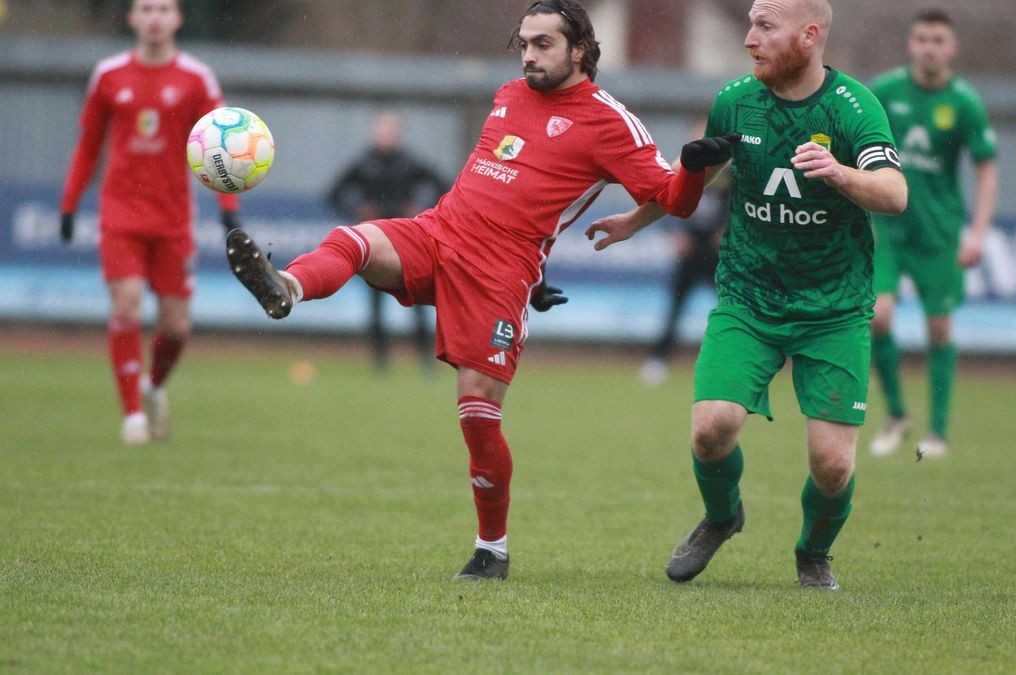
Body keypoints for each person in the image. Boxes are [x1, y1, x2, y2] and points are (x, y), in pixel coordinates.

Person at [224, 0, 731, 581]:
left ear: (580, 51)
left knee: (477, 412)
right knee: (355, 240)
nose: (529, 56)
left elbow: (673, 200)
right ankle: (287, 286)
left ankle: (492, 549)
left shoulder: (609, 122)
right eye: (524, 43)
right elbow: (510, 186)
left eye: (543, 44)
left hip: (499, 274)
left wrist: (693, 169)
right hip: (438, 233)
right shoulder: (509, 95)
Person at [587, 0, 906, 589]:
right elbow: (693, 177)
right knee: (711, 427)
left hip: (834, 307)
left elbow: (894, 192)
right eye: (750, 24)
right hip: (748, 296)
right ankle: (722, 516)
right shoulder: (735, 101)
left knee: (832, 466)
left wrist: (840, 173)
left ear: (809, 36)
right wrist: (635, 219)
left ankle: (813, 552)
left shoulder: (853, 106)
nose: (749, 38)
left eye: (765, 26)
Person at [59, 0, 240, 445]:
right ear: (132, 18)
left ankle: (153, 387)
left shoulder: (197, 78)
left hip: (173, 219)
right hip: (120, 214)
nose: (154, 17)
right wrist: (69, 203)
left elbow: (220, 147)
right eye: (146, 8)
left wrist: (228, 209)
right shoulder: (108, 75)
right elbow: (89, 144)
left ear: (177, 18)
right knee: (127, 304)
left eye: (163, 9)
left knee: (175, 327)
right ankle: (133, 417)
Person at [867, 8, 998, 459]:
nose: (929, 48)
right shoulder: (885, 91)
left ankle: (937, 431)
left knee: (938, 327)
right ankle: (896, 414)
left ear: (952, 48)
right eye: (922, 39)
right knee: (878, 315)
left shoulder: (964, 102)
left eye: (938, 40)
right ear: (910, 45)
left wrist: (977, 233)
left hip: (938, 232)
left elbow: (986, 170)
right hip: (886, 228)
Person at [326, 112, 448, 373]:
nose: (385, 136)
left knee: (418, 303)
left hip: (408, 242)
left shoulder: (409, 162)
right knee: (376, 304)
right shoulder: (364, 163)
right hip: (375, 242)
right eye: (381, 130)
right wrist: (356, 211)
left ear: (398, 134)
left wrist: (424, 209)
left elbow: (443, 185)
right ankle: (380, 360)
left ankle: (426, 360)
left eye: (390, 131)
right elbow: (333, 194)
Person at [639, 148, 729, 387]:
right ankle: (658, 360)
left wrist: (726, 232)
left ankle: (730, 361)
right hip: (689, 256)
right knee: (675, 309)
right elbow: (664, 199)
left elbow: (738, 205)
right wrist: (675, 234)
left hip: (716, 256)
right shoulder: (685, 169)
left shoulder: (729, 174)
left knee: (729, 309)